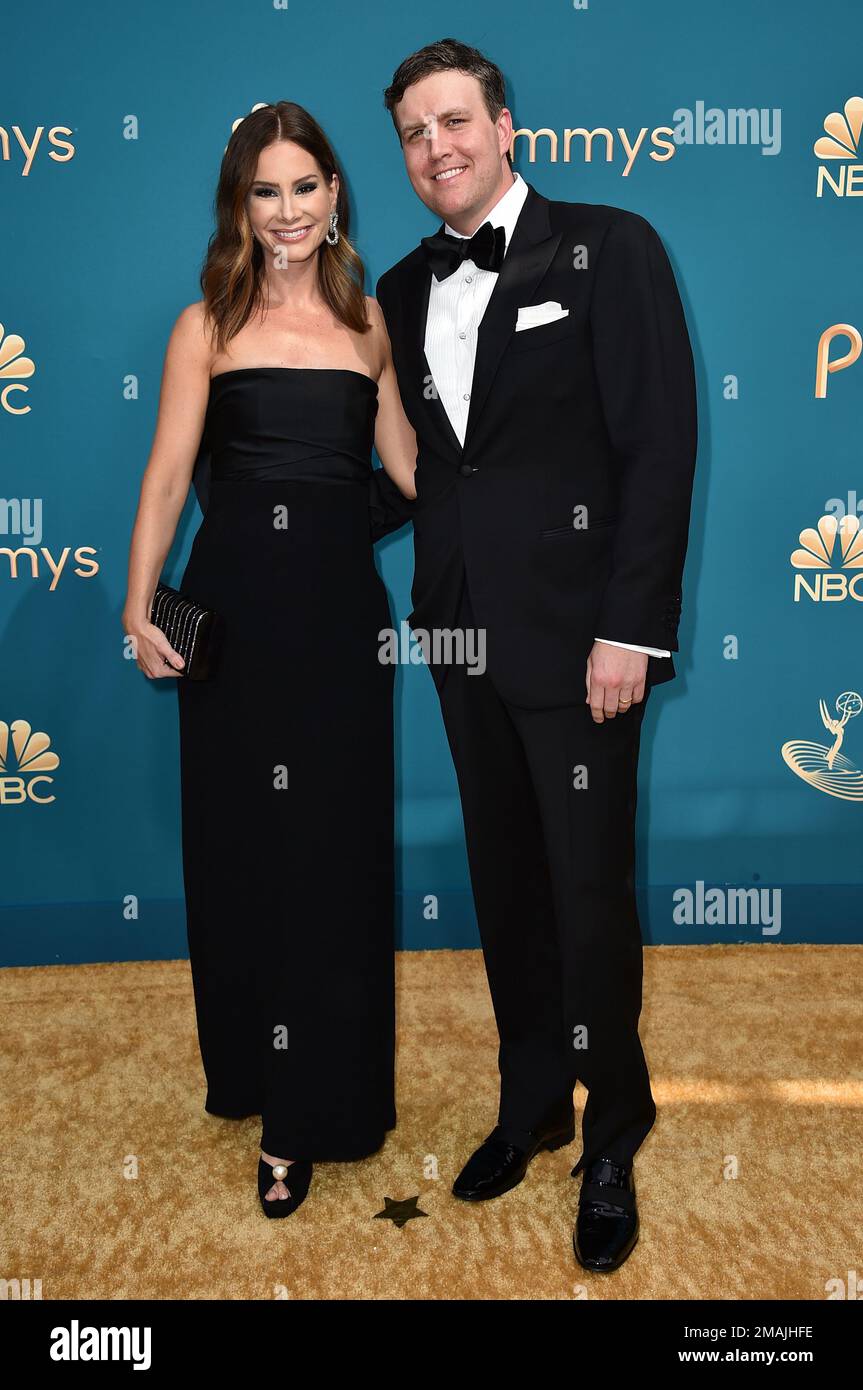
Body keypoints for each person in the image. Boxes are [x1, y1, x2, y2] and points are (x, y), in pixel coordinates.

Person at [376, 38, 697, 1271]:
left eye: (453, 121)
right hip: (456, 636)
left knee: (585, 891)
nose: (435, 148)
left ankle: (613, 1126)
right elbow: (420, 476)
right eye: (412, 133)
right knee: (504, 886)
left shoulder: (609, 248)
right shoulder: (401, 291)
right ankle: (529, 1106)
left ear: (505, 126)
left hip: (581, 648)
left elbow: (656, 445)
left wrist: (631, 627)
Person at [122, 102, 417, 1217]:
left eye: (304, 187)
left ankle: (319, 1109)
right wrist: (138, 600)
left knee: (330, 861)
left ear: (335, 195)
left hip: (339, 628)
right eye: (264, 191)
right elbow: (164, 477)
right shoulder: (204, 326)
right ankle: (259, 1085)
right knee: (246, 854)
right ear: (238, 206)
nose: (287, 211)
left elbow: (411, 470)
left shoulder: (372, 325)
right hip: (236, 626)